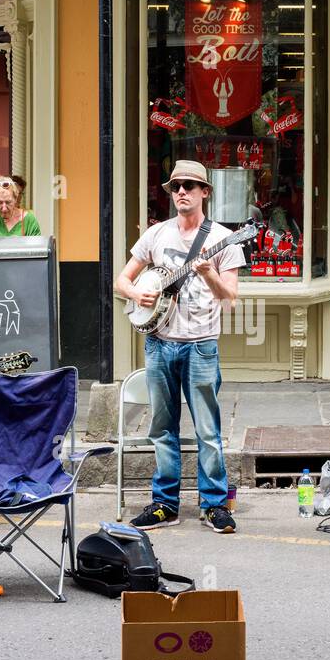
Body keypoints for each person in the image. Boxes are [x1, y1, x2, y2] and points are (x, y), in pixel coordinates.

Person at [114, 159, 245, 534]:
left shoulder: (223, 238)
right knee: (162, 428)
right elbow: (123, 280)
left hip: (201, 345)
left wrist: (210, 274)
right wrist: (137, 293)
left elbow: (231, 297)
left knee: (208, 429)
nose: (182, 192)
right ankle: (164, 503)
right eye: (176, 187)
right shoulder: (156, 235)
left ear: (205, 192)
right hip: (158, 343)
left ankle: (215, 505)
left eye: (190, 185)